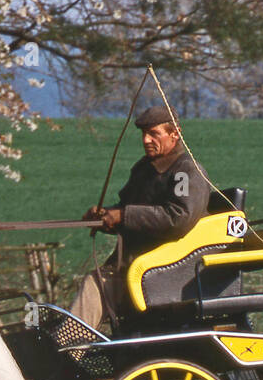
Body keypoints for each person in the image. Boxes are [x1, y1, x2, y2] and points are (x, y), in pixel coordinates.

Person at [70, 104, 211, 330]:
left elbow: (179, 217)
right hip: (137, 268)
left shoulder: (185, 170)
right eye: (144, 134)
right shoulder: (144, 169)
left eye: (154, 134)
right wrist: (106, 216)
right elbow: (129, 211)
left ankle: (70, 348)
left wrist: (124, 215)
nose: (146, 140)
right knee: (94, 281)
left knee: (95, 284)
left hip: (162, 272)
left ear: (175, 133)